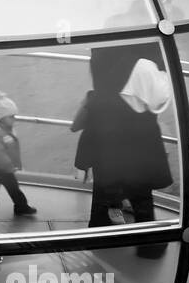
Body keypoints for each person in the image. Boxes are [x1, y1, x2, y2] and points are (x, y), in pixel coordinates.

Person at [71, 55, 174, 258]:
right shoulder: (143, 73)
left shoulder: (101, 87)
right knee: (142, 200)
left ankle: (98, 235)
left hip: (106, 155)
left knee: (101, 196)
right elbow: (158, 100)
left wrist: (83, 162)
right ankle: (149, 246)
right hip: (136, 158)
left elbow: (89, 130)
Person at [0, 92, 37, 217]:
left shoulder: (4, 131)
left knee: (12, 188)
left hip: (3, 169)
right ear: (0, 117)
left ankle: (21, 206)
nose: (14, 119)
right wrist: (8, 166)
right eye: (11, 116)